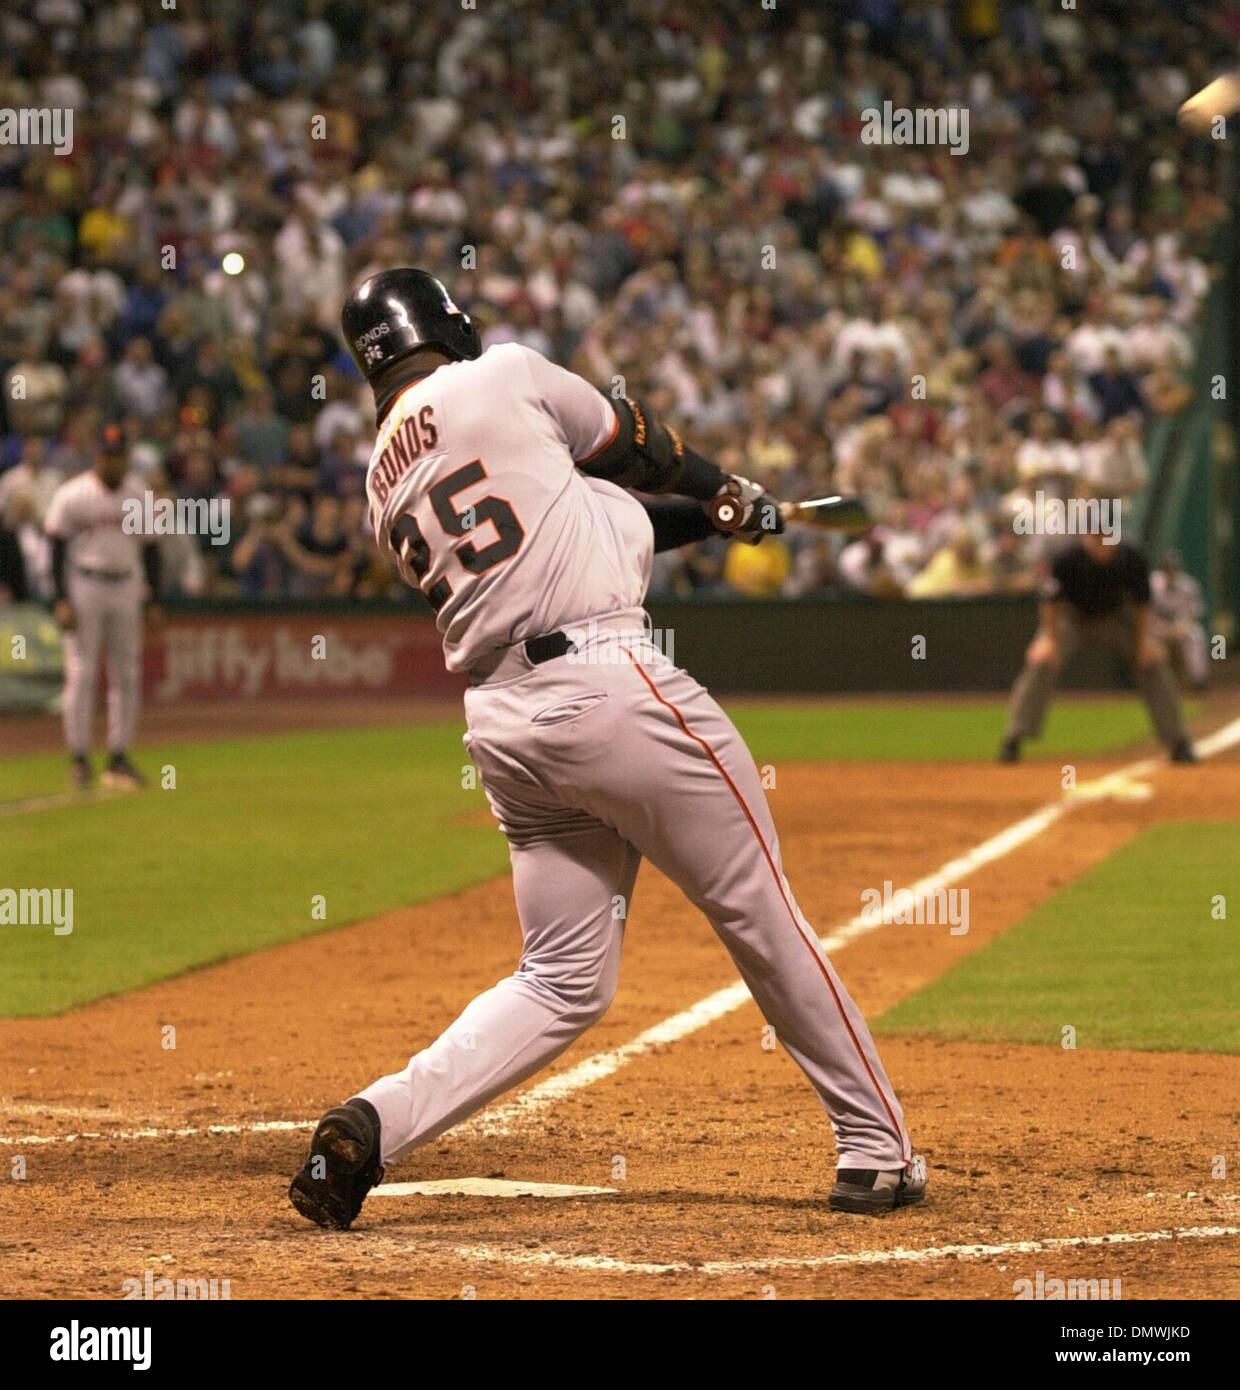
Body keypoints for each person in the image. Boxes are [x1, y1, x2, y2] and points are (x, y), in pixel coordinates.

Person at [289, 269, 924, 1229]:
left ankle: (371, 1123)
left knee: (559, 980)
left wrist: (720, 517)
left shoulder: (384, 479)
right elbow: (637, 442)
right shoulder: (500, 374)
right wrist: (729, 492)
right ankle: (877, 1148)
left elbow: (598, 512)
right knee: (759, 906)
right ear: (448, 324)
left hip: (504, 725)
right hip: (609, 684)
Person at [998, 529, 1196, 763]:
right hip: (1072, 618)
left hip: (1116, 618)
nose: (1100, 543)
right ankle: (1013, 738)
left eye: (1106, 536)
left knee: (1152, 662)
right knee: (1041, 659)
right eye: (1095, 536)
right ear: (1085, 537)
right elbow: (1051, 603)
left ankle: (1179, 741)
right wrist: (1049, 640)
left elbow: (1142, 605)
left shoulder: (1132, 558)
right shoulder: (1067, 557)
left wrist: (1143, 644)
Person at [43, 422, 160, 789]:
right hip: (84, 585)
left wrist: (154, 597)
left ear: (127, 456)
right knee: (82, 673)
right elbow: (55, 548)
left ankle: (118, 756)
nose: (114, 461)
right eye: (108, 454)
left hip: (126, 585)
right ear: (97, 456)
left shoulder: (139, 494)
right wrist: (60, 598)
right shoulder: (73, 494)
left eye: (120, 454)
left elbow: (152, 548)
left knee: (126, 673)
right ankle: (79, 757)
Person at [1150, 550, 1210, 691]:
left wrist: (1179, 630)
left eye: (1173, 570)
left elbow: (1191, 616)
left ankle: (1198, 680)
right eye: (1167, 570)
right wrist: (1162, 629)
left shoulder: (1188, 587)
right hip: (1156, 627)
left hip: (1180, 628)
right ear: (1161, 571)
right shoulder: (1151, 585)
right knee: (1145, 639)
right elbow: (1146, 615)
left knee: (1196, 636)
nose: (1170, 573)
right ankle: (1149, 684)